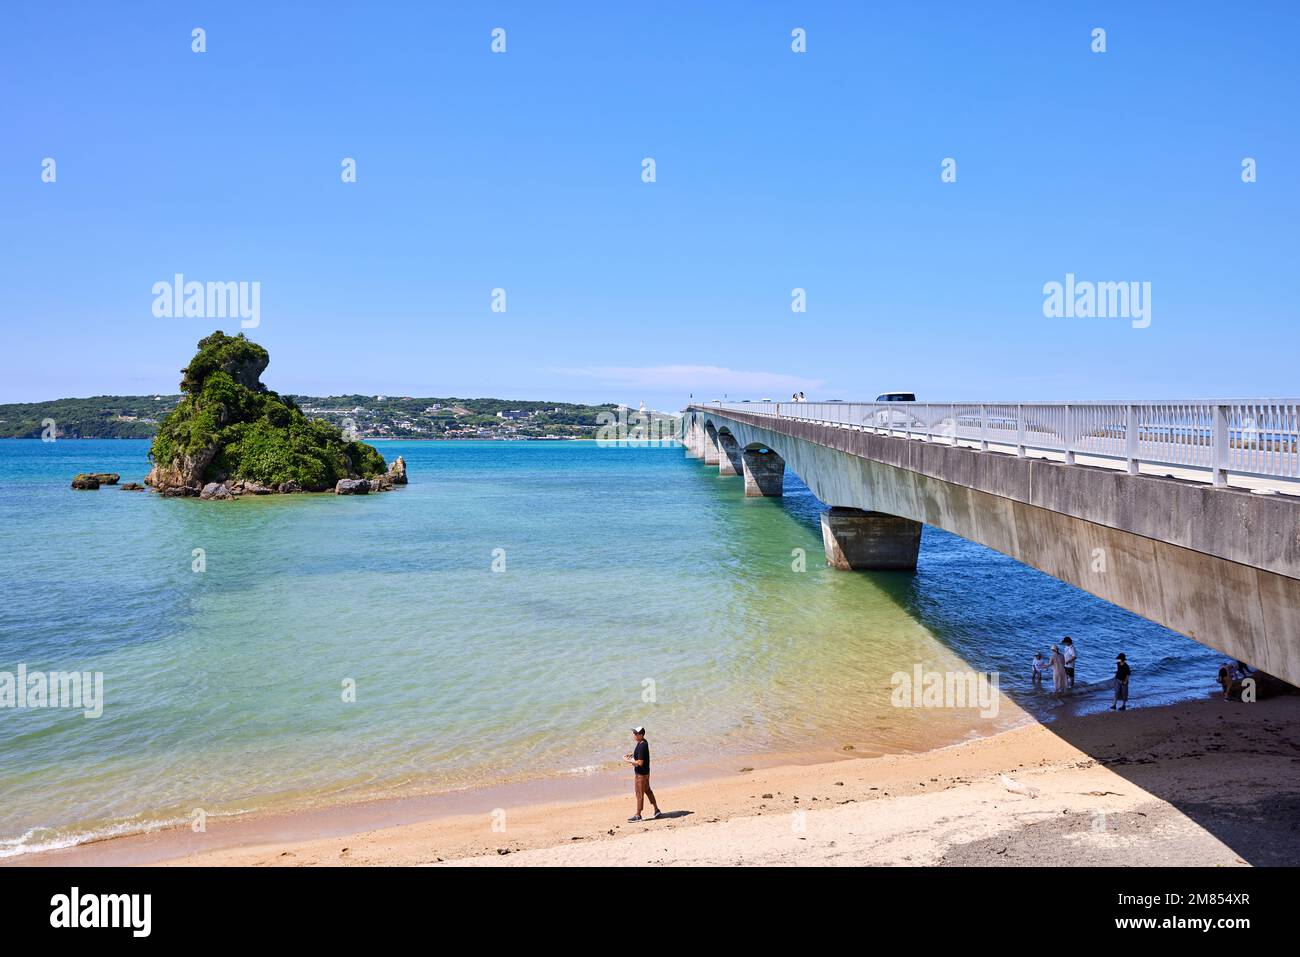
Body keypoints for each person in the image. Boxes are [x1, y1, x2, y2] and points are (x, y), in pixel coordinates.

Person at [624, 725, 661, 822]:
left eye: (636, 733)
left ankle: (638, 815)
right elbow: (641, 754)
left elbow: (640, 762)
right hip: (646, 773)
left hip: (641, 775)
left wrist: (628, 761)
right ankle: (656, 810)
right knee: (648, 790)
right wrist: (632, 754)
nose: (634, 735)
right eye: (634, 733)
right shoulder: (643, 742)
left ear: (641, 735)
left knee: (639, 793)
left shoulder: (641, 745)